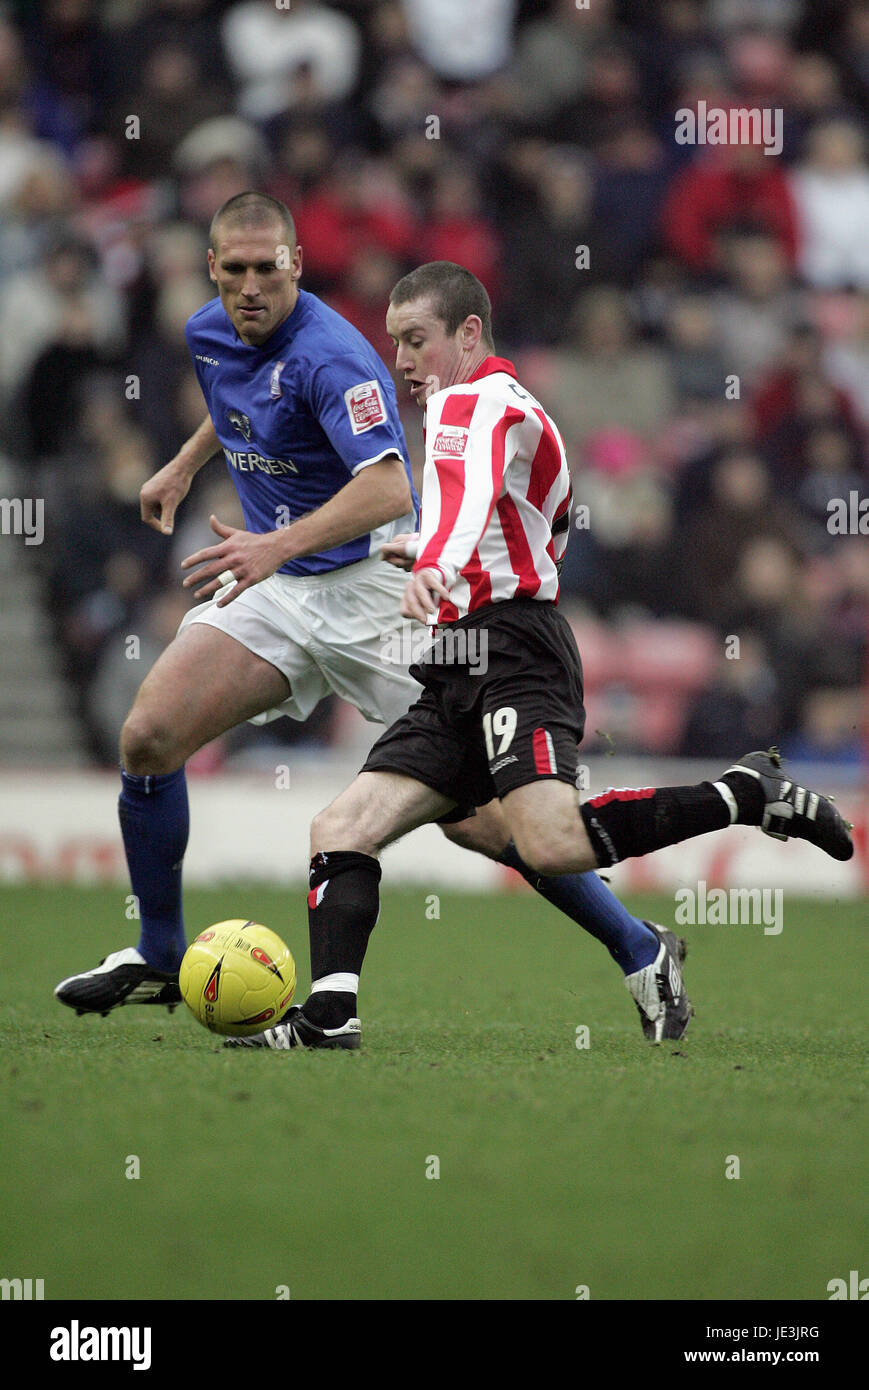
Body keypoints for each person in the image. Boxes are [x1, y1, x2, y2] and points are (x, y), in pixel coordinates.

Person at [54, 197, 692, 1042]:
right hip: (278, 588)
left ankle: (638, 945)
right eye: (233, 269)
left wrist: (275, 546)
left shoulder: (336, 358)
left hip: (372, 593)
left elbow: (392, 488)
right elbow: (236, 395)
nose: (249, 286)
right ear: (212, 268)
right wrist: (181, 465)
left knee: (483, 822)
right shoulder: (210, 331)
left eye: (265, 269)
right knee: (148, 737)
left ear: (296, 263)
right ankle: (159, 953)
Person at [224, 260, 853, 1053]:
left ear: (469, 333)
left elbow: (467, 496)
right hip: (462, 655)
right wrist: (440, 556)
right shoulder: (504, 406)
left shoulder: (472, 402)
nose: (402, 362)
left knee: (547, 841)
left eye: (415, 340)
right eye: (394, 344)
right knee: (341, 826)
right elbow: (517, 520)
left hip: (514, 652)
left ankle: (744, 794)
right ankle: (329, 1015)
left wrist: (434, 563)